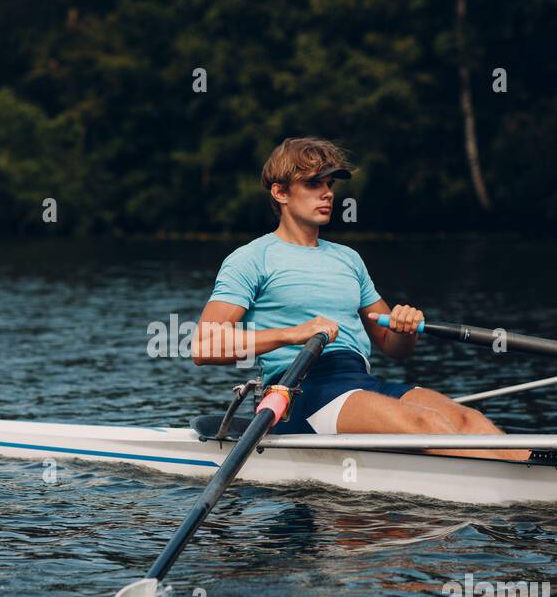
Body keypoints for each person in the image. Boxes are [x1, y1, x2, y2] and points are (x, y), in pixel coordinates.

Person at [192, 136, 527, 460]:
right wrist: (293, 334)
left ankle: (534, 477)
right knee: (425, 425)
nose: (326, 193)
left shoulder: (348, 259)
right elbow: (204, 346)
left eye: (330, 185)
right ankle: (506, 494)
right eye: (313, 184)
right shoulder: (252, 258)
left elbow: (394, 348)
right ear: (280, 192)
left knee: (469, 421)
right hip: (299, 392)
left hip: (359, 380)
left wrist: (403, 327)